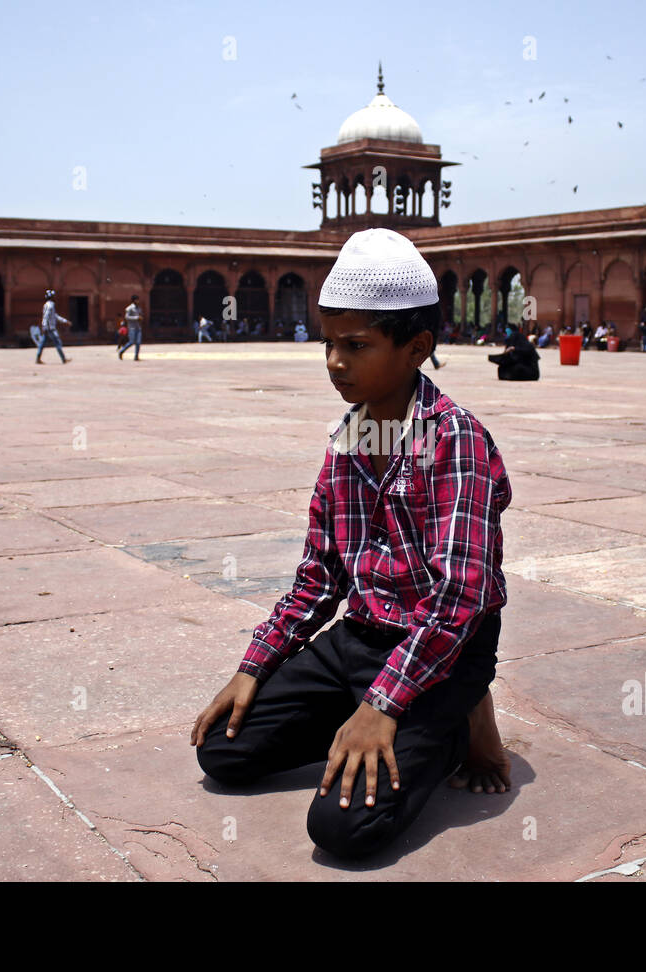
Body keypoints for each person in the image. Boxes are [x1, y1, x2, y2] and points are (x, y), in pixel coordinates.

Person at [191, 228, 513, 860]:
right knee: (224, 751)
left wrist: (386, 705)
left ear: (416, 347)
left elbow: (458, 600)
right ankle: (367, 711)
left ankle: (458, 719)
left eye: (356, 345)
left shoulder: (454, 442)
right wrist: (255, 664)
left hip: (445, 647)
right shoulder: (347, 441)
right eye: (329, 343)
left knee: (342, 832)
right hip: (363, 636)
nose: (335, 362)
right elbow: (319, 576)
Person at [35, 289, 70, 364]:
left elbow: (54, 316)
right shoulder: (50, 305)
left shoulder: (46, 305)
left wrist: (64, 321)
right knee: (58, 342)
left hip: (47, 328)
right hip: (50, 328)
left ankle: (38, 358)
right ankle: (63, 359)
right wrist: (44, 326)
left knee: (42, 343)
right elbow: (46, 316)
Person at [118, 295, 143, 360]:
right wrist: (136, 318)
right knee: (131, 342)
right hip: (132, 328)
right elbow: (126, 317)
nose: (138, 301)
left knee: (138, 342)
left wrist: (140, 318)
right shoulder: (129, 308)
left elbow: (141, 315)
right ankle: (121, 351)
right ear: (133, 300)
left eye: (138, 299)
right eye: (136, 300)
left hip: (138, 327)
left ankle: (136, 356)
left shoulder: (139, 308)